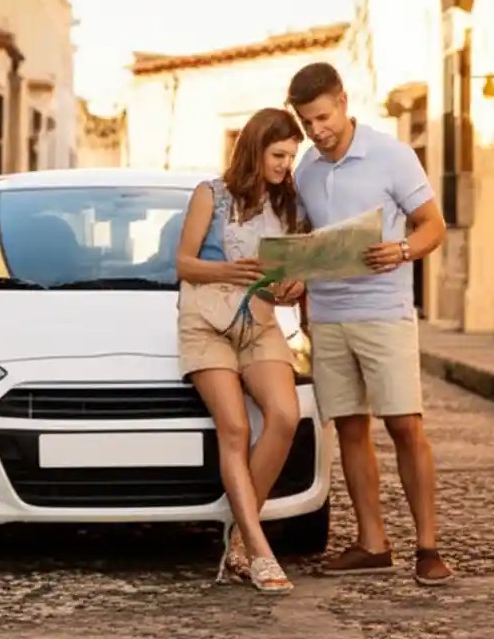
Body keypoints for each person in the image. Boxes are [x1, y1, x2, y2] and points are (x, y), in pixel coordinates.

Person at [286, 62, 454, 586]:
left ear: (342, 100)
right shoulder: (306, 170)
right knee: (351, 430)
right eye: (307, 122)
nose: (317, 130)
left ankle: (428, 548)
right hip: (329, 317)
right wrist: (296, 277)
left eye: (322, 116)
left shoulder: (393, 155)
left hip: (384, 311)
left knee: (405, 425)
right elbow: (305, 240)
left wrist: (402, 249)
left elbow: (434, 226)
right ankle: (372, 543)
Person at [175, 107, 308, 593]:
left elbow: (282, 276)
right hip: (206, 321)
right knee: (233, 426)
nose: (284, 165)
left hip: (259, 321)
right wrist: (231, 271)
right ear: (254, 148)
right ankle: (259, 550)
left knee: (285, 415)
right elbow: (184, 263)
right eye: (277, 154)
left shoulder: (289, 206)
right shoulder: (209, 194)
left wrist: (292, 286)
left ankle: (236, 539)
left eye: (291, 156)